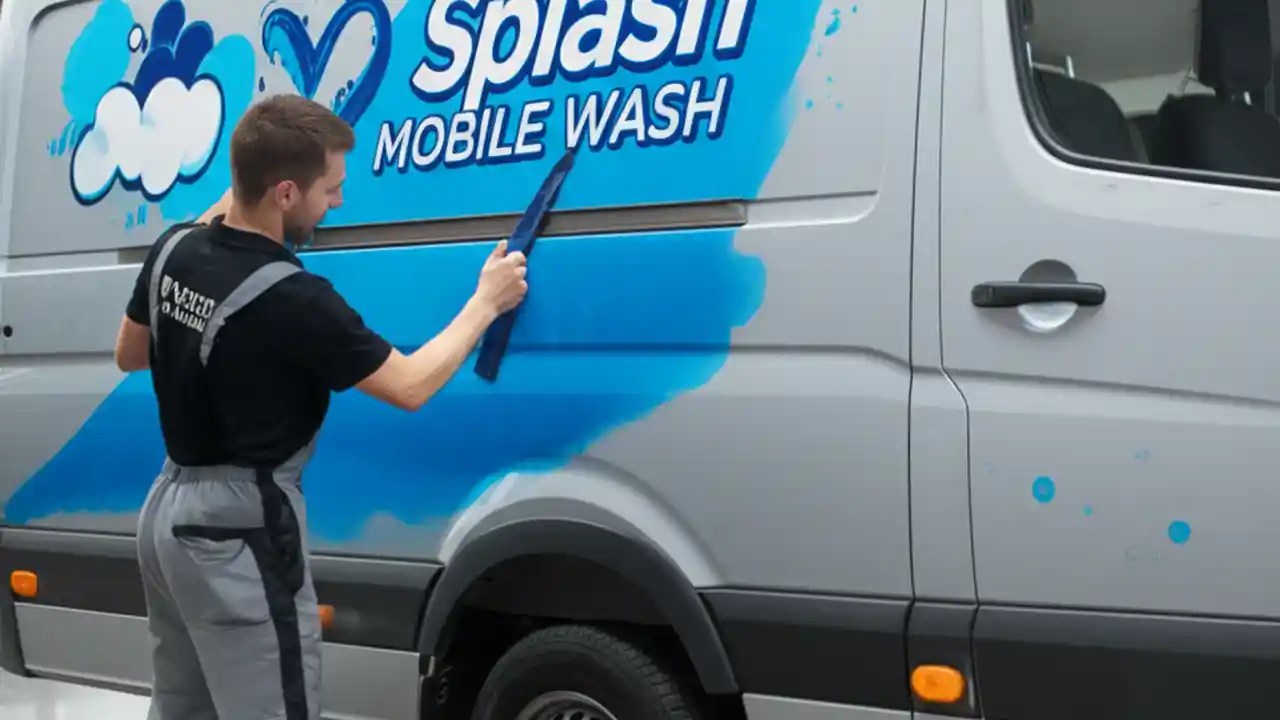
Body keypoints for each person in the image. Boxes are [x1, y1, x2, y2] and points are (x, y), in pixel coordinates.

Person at [112, 94, 529, 720]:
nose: (336, 202)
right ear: (284, 193)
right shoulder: (295, 299)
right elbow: (411, 385)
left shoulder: (174, 250)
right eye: (329, 188)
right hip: (239, 529)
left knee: (184, 710)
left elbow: (130, 353)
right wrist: (486, 303)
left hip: (167, 516)